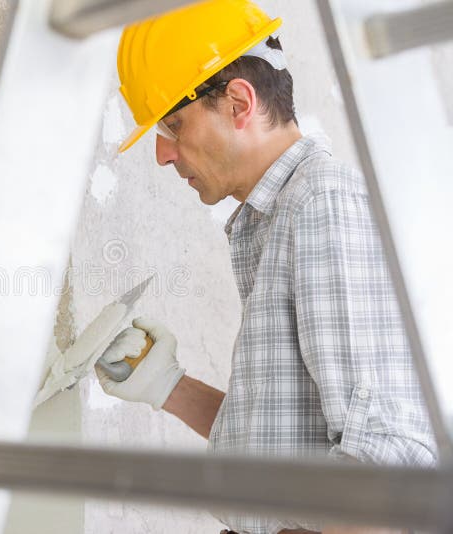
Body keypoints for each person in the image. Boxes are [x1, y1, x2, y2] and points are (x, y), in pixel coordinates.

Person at [95, 1, 438, 533]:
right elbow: (287, 444)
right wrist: (168, 385)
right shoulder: (275, 217)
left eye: (174, 124)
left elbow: (384, 467)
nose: (163, 155)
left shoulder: (322, 201)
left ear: (238, 101)